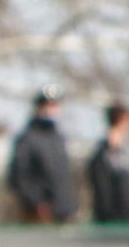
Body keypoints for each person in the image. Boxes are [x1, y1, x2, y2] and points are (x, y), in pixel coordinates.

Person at [7, 87, 78, 224]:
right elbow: (18, 177)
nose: (51, 110)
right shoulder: (27, 139)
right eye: (47, 105)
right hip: (39, 215)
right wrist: (37, 202)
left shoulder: (58, 138)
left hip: (63, 212)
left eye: (54, 105)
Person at [88, 102, 129, 224]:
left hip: (126, 217)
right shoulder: (104, 155)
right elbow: (103, 192)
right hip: (111, 219)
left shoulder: (122, 151)